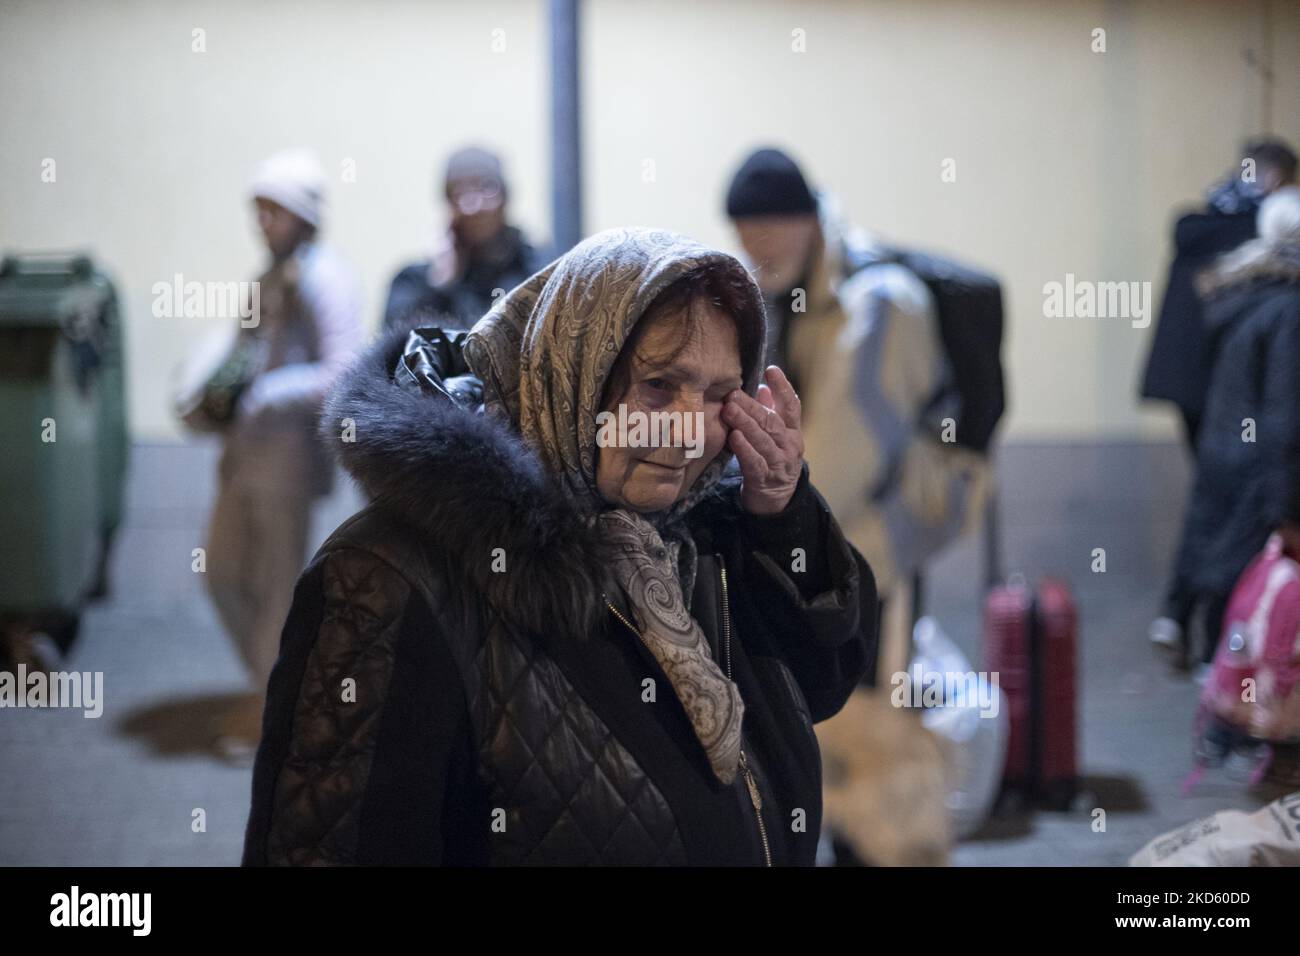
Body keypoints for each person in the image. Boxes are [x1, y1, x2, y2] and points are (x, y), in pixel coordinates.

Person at [243, 227, 877, 866]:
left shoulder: (701, 537)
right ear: (568, 370)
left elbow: (822, 683)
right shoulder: (391, 580)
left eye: (719, 395)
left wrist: (783, 518)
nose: (689, 434)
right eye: (658, 384)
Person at [724, 147, 988, 674]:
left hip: (898, 506)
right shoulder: (788, 292)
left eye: (774, 225)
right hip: (854, 508)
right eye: (745, 229)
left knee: (872, 689)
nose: (758, 243)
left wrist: (767, 535)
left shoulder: (879, 303)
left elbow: (850, 454)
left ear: (809, 220)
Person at [203, 149, 364, 757]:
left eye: (275, 209)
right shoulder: (268, 277)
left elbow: (343, 368)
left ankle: (275, 706)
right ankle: (275, 685)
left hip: (290, 460)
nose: (264, 220)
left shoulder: (326, 276)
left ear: (302, 214)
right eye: (259, 208)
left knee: (276, 590)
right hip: (243, 457)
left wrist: (271, 393)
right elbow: (239, 355)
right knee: (220, 573)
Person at [1159, 186, 1300, 675]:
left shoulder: (1241, 294)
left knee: (1214, 548)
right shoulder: (1289, 310)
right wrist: (1286, 506)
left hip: (1224, 443)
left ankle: (1184, 630)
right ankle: (1222, 674)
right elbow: (1284, 409)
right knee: (1245, 567)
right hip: (1260, 456)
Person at [1141, 138, 1298, 453]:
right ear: (1277, 179)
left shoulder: (1197, 223)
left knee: (1213, 470)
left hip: (1189, 375)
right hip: (1232, 376)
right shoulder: (1271, 235)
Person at [382, 146, 545, 331]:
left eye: (487, 187)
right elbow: (398, 349)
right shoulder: (413, 282)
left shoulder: (538, 271)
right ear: (448, 204)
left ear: (505, 197)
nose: (475, 205)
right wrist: (440, 284)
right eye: (461, 192)